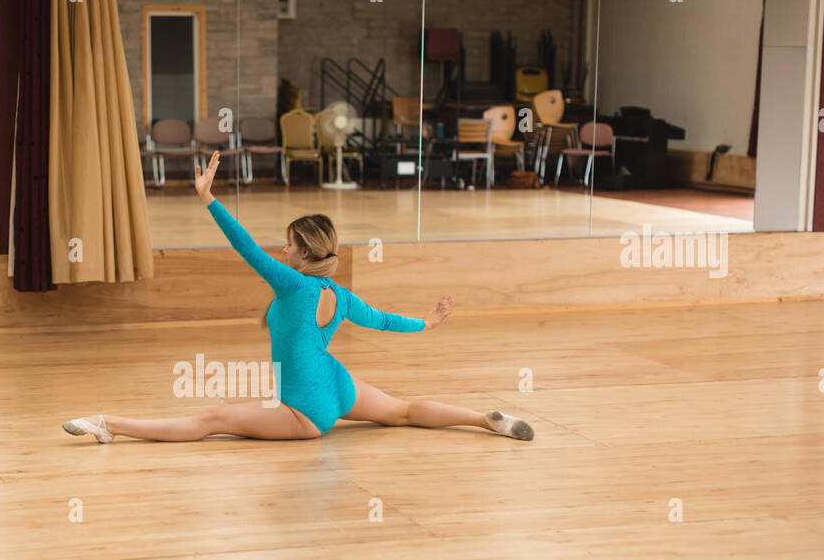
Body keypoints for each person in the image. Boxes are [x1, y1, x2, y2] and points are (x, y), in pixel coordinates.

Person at [62, 149, 532, 444]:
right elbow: (386, 321)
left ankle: (111, 424)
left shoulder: (291, 282)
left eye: (289, 243)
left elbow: (244, 245)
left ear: (304, 252)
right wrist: (427, 322)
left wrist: (208, 198)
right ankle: (484, 419)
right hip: (338, 384)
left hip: (305, 411)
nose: (282, 249)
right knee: (403, 411)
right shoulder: (341, 295)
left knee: (210, 418)